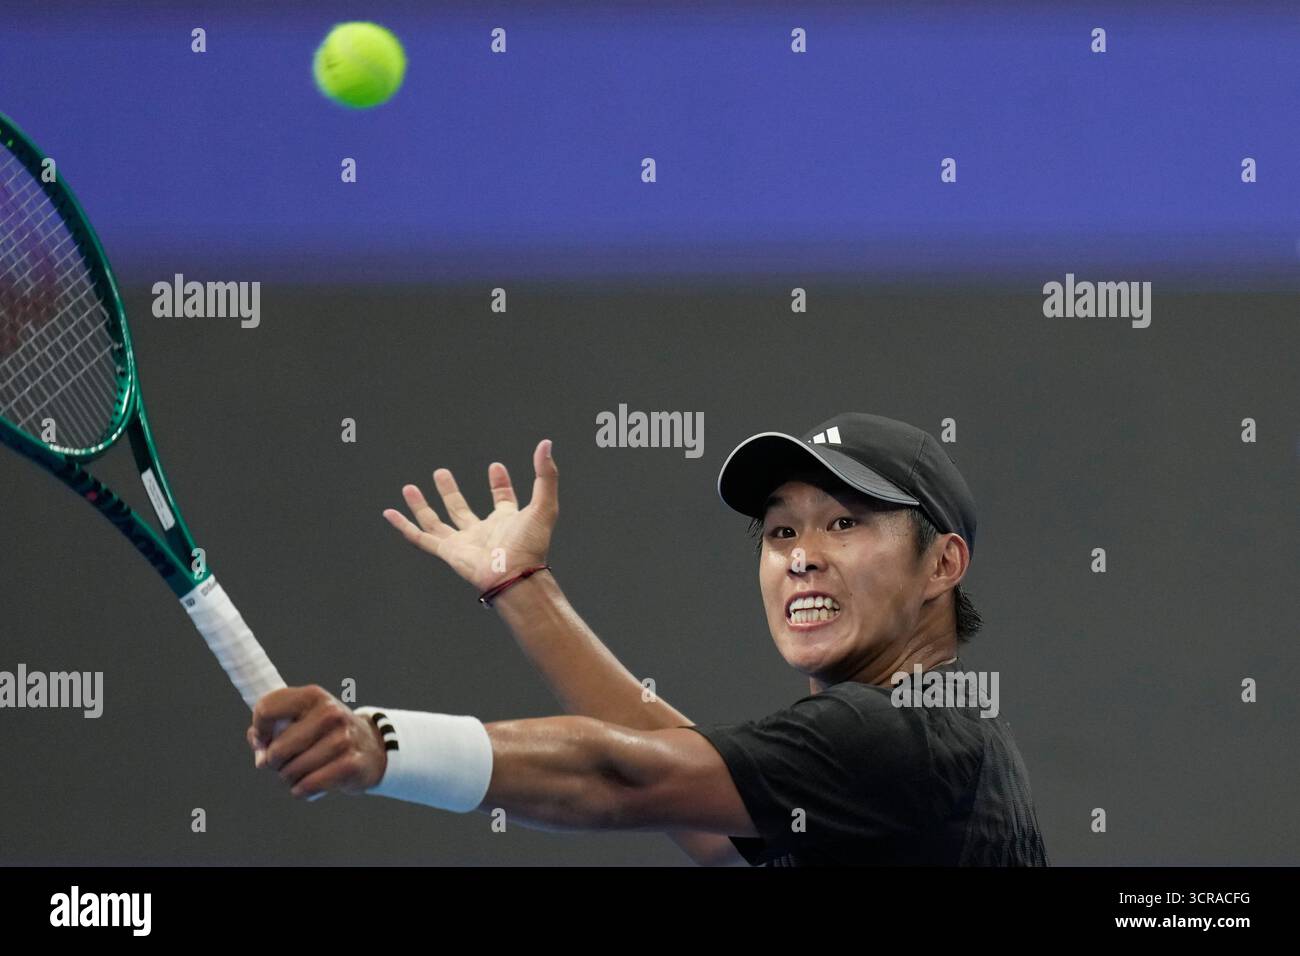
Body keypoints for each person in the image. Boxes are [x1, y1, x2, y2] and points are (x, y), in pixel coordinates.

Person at [248, 412, 1048, 865]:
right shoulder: (923, 749)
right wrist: (520, 587)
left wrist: (383, 743)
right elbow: (697, 805)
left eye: (846, 523)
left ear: (943, 563)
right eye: (779, 532)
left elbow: (622, 777)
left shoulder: (896, 735)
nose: (802, 556)